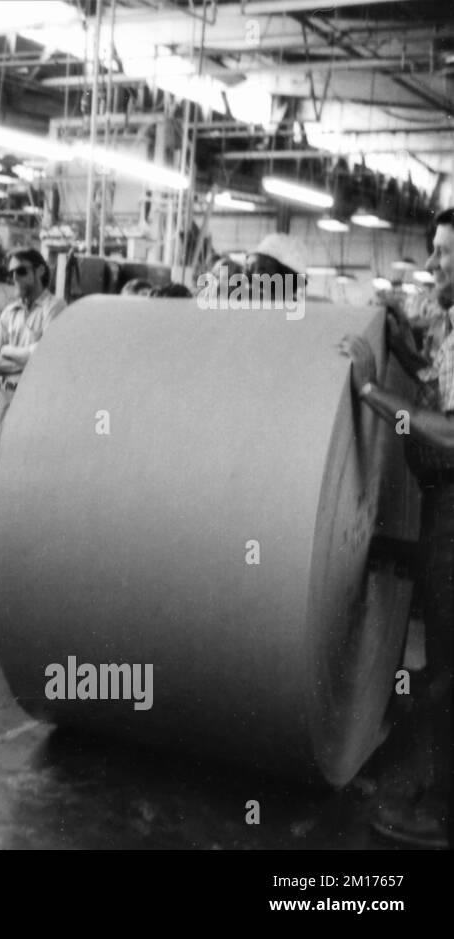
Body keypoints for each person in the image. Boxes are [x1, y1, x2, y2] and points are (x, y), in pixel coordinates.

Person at [339, 206, 454, 849]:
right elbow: (440, 388)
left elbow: (449, 434)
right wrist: (400, 348)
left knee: (446, 670)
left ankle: (440, 814)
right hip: (442, 509)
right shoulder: (451, 325)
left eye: (442, 252)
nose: (432, 263)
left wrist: (372, 396)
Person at [0, 248, 66, 451]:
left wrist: (8, 350)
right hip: (7, 397)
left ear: (39, 271)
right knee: (2, 458)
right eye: (11, 273)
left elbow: (46, 358)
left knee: (29, 458)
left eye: (21, 271)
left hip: (36, 399)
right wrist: (30, 356)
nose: (14, 278)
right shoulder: (9, 312)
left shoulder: (55, 308)